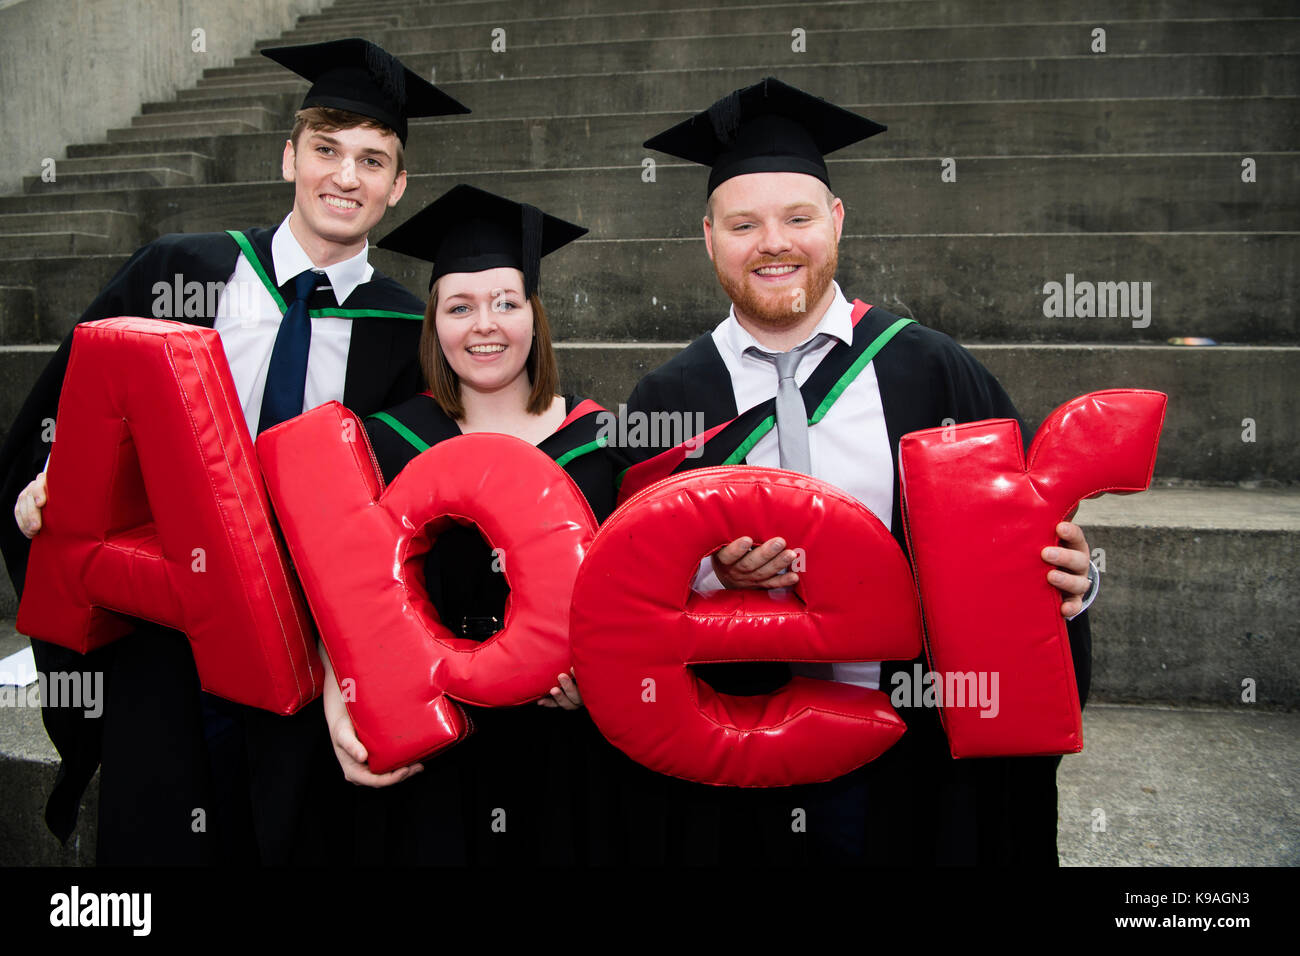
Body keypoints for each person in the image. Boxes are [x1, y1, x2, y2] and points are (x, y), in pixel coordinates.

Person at [0, 38, 471, 865]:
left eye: (372, 159)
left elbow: (408, 508)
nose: (345, 177)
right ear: (289, 154)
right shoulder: (180, 271)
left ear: (397, 187)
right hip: (165, 637)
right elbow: (70, 412)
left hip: (302, 650)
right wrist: (51, 481)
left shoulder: (410, 336)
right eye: (326, 149)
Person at [619, 77, 1100, 865]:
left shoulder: (933, 371)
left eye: (797, 217)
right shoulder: (668, 402)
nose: (773, 242)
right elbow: (630, 592)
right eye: (745, 224)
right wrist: (709, 578)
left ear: (836, 221)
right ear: (709, 238)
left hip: (916, 746)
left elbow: (1025, 544)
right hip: (744, 746)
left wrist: (1072, 582)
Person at [320, 184, 626, 865]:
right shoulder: (391, 442)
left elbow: (629, 601)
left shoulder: (602, 443)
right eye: (459, 307)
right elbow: (343, 594)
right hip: (436, 746)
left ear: (534, 317)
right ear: (435, 324)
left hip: (564, 751)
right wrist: (338, 701)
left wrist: (601, 679)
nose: (484, 325)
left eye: (505, 303)